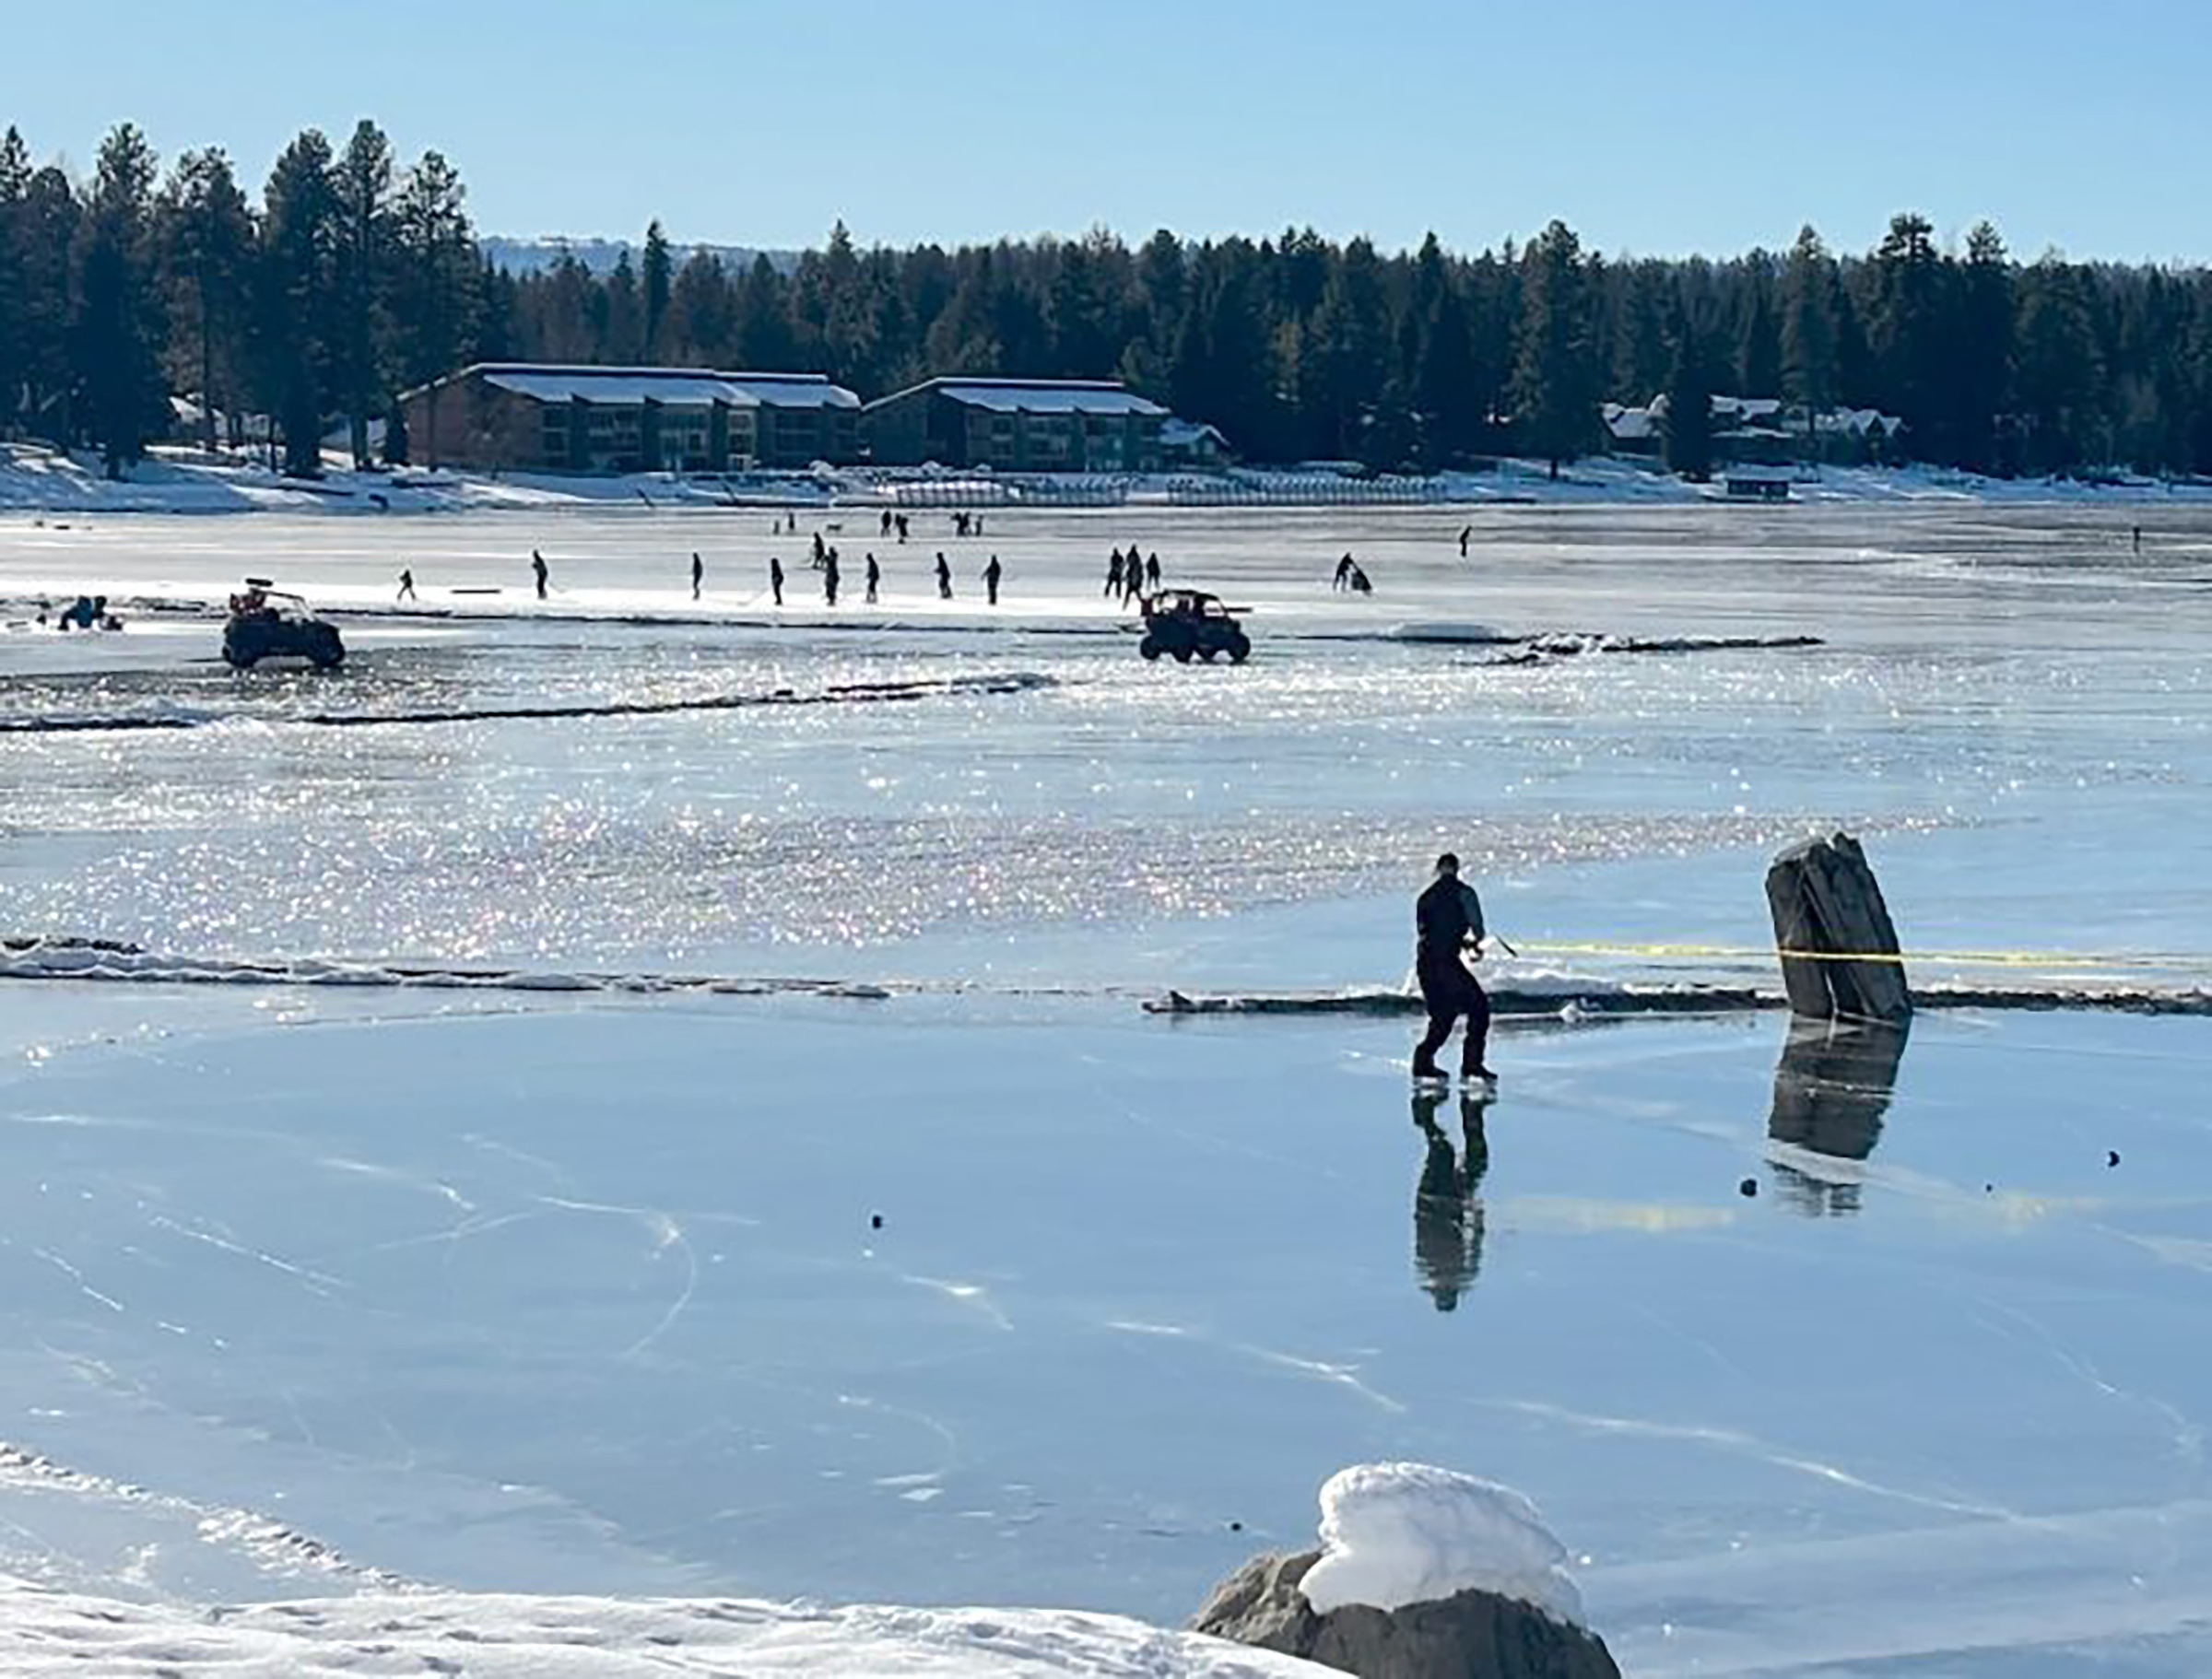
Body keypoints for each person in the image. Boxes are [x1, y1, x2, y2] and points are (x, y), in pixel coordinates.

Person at [1411, 852, 1493, 1084]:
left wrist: (1460, 942)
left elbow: (1430, 933)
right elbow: (1478, 930)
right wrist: (1473, 944)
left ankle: (1423, 1061)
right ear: (1457, 869)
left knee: (1443, 1015)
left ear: (1438, 869)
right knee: (1479, 1008)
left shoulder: (1424, 897)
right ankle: (1472, 1065)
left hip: (1425, 963)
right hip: (1446, 963)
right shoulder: (1465, 893)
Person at [1411, 1087, 1490, 1311]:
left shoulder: (1430, 1266)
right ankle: (1469, 1111)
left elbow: (1424, 1227)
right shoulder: (1458, 1272)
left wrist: (1476, 1218)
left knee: (1443, 1151)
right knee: (1472, 1160)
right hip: (1449, 1203)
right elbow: (1474, 1244)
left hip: (1438, 1201)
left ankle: (1425, 1112)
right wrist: (1476, 1218)